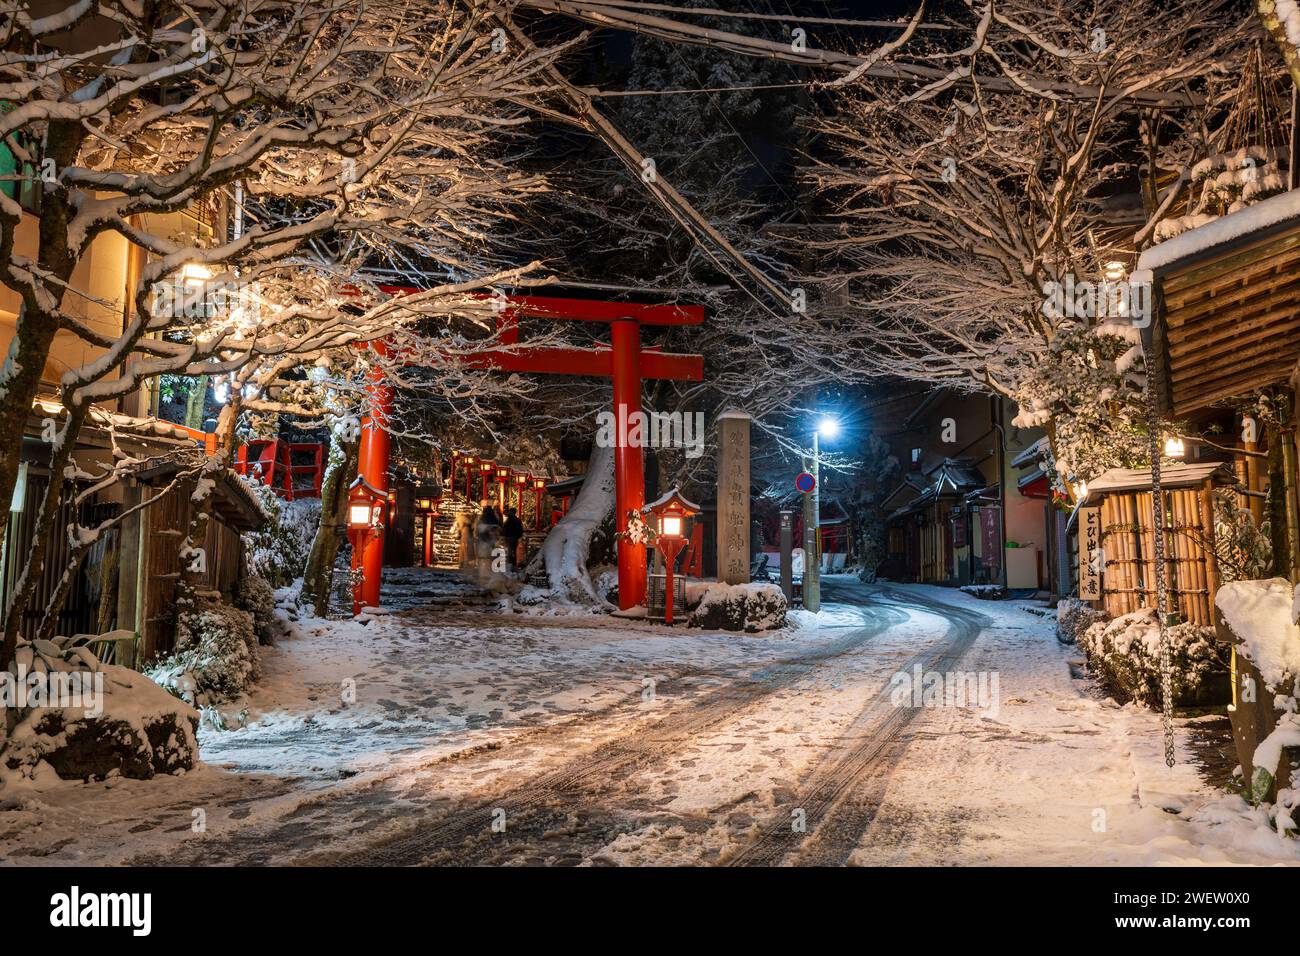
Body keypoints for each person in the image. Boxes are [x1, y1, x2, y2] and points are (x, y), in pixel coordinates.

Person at [474, 502, 501, 583]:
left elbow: (478, 530)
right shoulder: (495, 518)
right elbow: (499, 528)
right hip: (492, 542)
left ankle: (483, 575)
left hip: (483, 541)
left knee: (483, 559)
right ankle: (493, 573)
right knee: (492, 558)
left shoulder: (482, 518)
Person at [501, 506, 524, 571]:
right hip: (515, 537)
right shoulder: (517, 520)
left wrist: (503, 535)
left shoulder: (508, 520)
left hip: (508, 537)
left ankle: (509, 564)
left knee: (509, 551)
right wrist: (518, 536)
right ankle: (513, 565)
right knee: (513, 551)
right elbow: (520, 529)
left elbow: (504, 529)